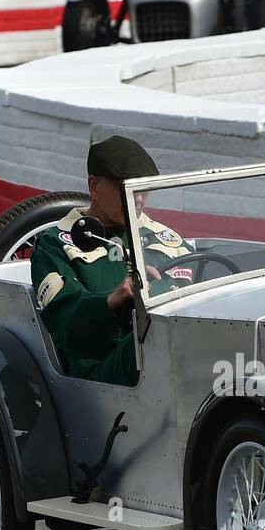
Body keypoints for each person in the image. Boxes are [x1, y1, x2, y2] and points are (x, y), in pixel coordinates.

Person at [30, 136, 191, 386]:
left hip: (161, 351)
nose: (138, 199)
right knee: (157, 340)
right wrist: (113, 299)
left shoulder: (160, 235)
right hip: (98, 367)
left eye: (143, 189)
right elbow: (64, 320)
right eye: (126, 189)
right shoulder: (56, 244)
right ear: (94, 187)